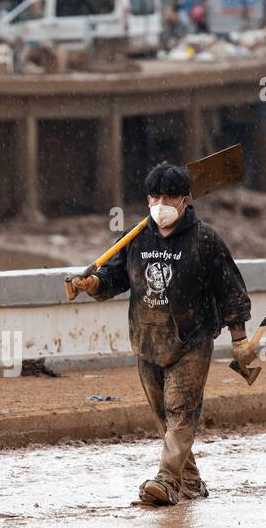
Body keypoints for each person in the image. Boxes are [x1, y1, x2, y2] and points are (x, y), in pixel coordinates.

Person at [68, 162, 253, 507]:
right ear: (147, 198)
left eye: (170, 197)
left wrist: (239, 340)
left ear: (186, 200)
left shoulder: (205, 239)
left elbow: (231, 291)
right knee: (165, 419)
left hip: (191, 342)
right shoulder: (136, 237)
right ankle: (192, 483)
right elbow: (114, 278)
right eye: (156, 197)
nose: (161, 204)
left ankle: (166, 482)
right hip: (146, 340)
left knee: (180, 412)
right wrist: (93, 284)